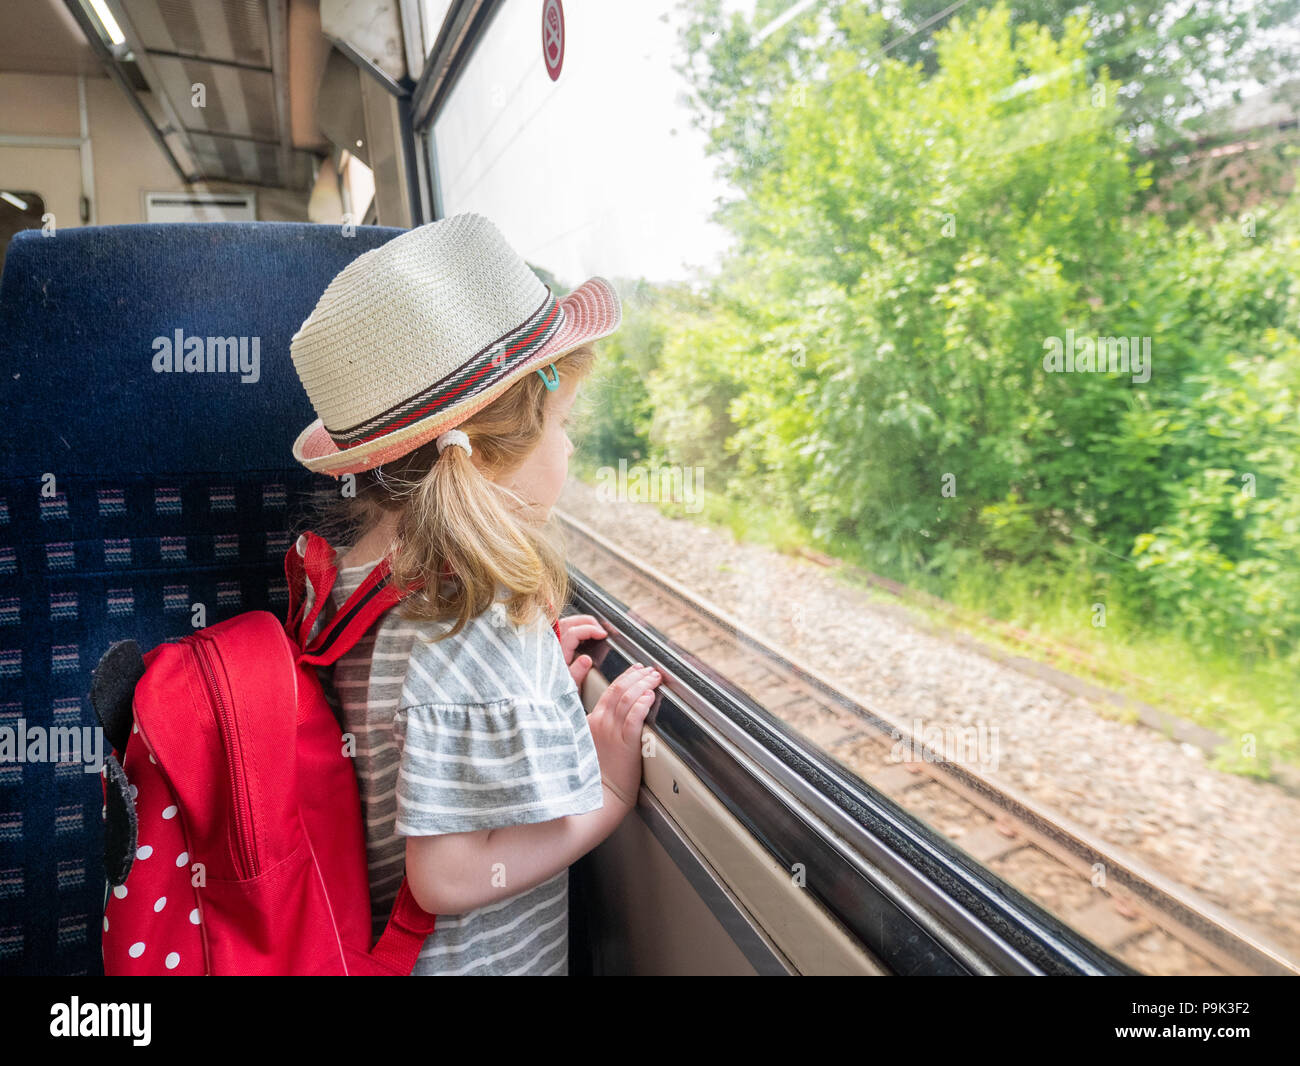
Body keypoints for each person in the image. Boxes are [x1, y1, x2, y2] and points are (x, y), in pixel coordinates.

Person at [287, 212, 661, 975]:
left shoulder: (358, 576)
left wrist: (521, 700)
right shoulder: (471, 613)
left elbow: (410, 736)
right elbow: (448, 874)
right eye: (564, 422)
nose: (571, 444)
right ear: (493, 455)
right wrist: (610, 795)